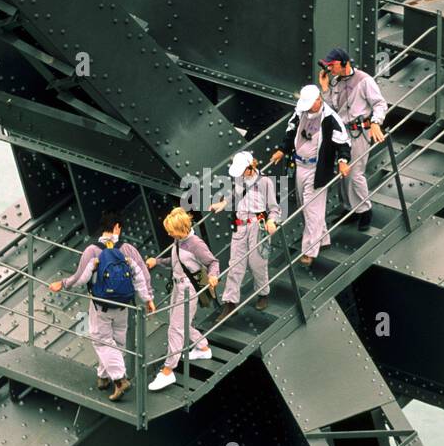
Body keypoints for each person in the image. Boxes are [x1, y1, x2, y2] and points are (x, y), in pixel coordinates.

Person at [49, 210, 154, 403]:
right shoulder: (128, 249)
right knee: (117, 342)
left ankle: (119, 380)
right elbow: (142, 273)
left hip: (101, 307)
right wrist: (149, 298)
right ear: (117, 227)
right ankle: (103, 376)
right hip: (124, 306)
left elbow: (80, 278)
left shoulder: (92, 250)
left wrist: (62, 283)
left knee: (101, 341)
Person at [269, 85, 351, 265]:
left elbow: (343, 143)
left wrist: (343, 161)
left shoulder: (330, 119)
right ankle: (323, 239)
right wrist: (283, 150)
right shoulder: (300, 112)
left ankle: (309, 251)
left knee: (311, 209)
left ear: (318, 100)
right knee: (305, 206)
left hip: (317, 169)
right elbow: (291, 132)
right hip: (299, 166)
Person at [146, 207, 220, 392]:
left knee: (175, 328)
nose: (169, 233)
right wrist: (158, 261)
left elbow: (213, 262)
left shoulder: (195, 243)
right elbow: (176, 261)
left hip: (188, 289)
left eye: (171, 230)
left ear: (181, 228)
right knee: (179, 323)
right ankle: (203, 348)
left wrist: (213, 276)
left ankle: (168, 370)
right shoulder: (178, 240)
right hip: (177, 286)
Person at [318, 47, 388, 231]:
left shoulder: (364, 80)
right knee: (343, 172)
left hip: (358, 132)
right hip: (341, 133)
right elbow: (332, 108)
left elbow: (380, 104)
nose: (330, 69)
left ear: (344, 63)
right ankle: (350, 209)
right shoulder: (335, 82)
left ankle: (365, 210)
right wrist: (325, 88)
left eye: (332, 66)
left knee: (355, 173)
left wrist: (375, 122)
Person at [210, 150, 281, 319]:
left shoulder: (264, 182)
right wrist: (225, 203)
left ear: (250, 168)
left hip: (259, 224)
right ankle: (230, 302)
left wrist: (272, 221)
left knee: (258, 263)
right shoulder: (240, 179)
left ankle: (263, 293)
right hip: (241, 225)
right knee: (235, 264)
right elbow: (236, 192)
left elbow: (274, 207)